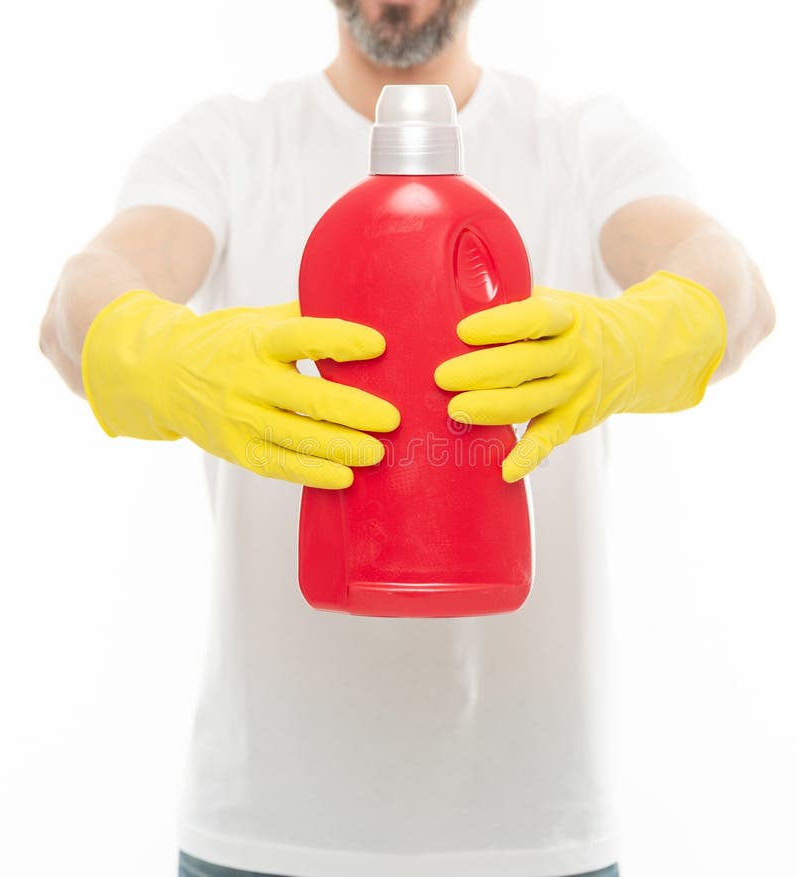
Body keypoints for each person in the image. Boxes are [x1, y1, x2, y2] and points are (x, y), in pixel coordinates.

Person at [39, 1, 775, 876]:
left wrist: (640, 339)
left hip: (536, 834)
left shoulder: (580, 146)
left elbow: (740, 291)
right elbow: (75, 306)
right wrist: (161, 358)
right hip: (265, 830)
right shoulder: (232, 146)